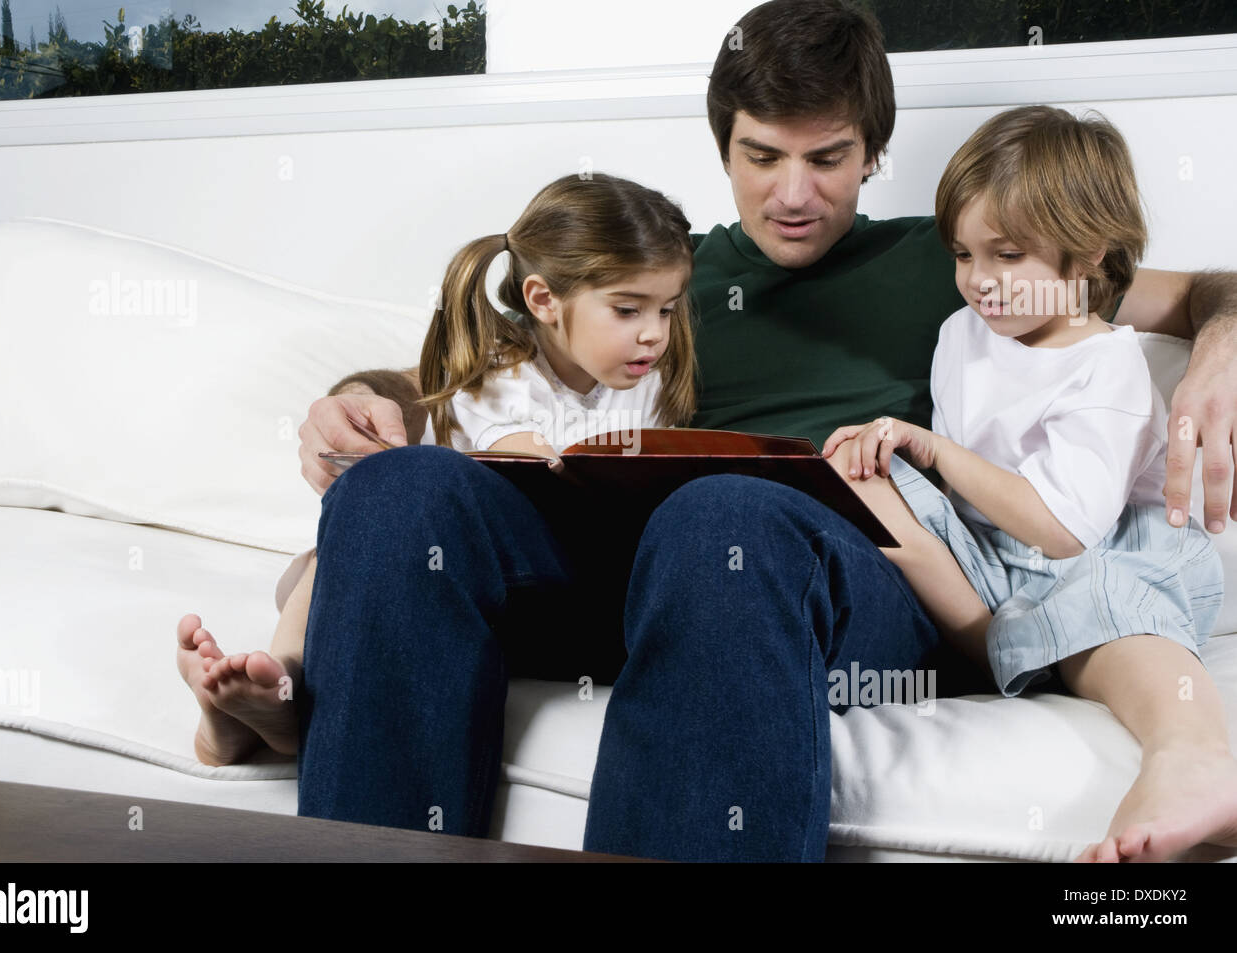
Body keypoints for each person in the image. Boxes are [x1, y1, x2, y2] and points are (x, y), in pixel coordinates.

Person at [248, 0, 1237, 861]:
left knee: (723, 514)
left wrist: (1220, 348)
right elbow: (483, 367)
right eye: (761, 156)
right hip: (626, 568)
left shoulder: (954, 268)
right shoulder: (657, 279)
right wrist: (361, 396)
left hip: (829, 578)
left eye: (827, 158)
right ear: (722, 147)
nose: (792, 193)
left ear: (873, 153)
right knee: (397, 489)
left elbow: (1183, 288)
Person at [819, 104, 1234, 862]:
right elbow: (960, 498)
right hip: (992, 546)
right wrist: (883, 455)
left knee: (1101, 602)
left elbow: (1063, 528)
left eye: (1006, 256)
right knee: (862, 483)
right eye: (963, 254)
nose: (978, 281)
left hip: (1096, 549)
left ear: (1089, 256)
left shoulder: (1107, 367)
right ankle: (1000, 645)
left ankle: (1192, 756)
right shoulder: (961, 334)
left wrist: (934, 450)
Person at [176, 173, 697, 766]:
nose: (654, 333)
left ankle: (269, 706)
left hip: (559, 599)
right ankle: (282, 688)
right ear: (544, 300)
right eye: (628, 310)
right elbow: (535, 470)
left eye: (668, 309)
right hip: (456, 581)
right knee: (325, 565)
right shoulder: (500, 372)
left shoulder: (647, 382)